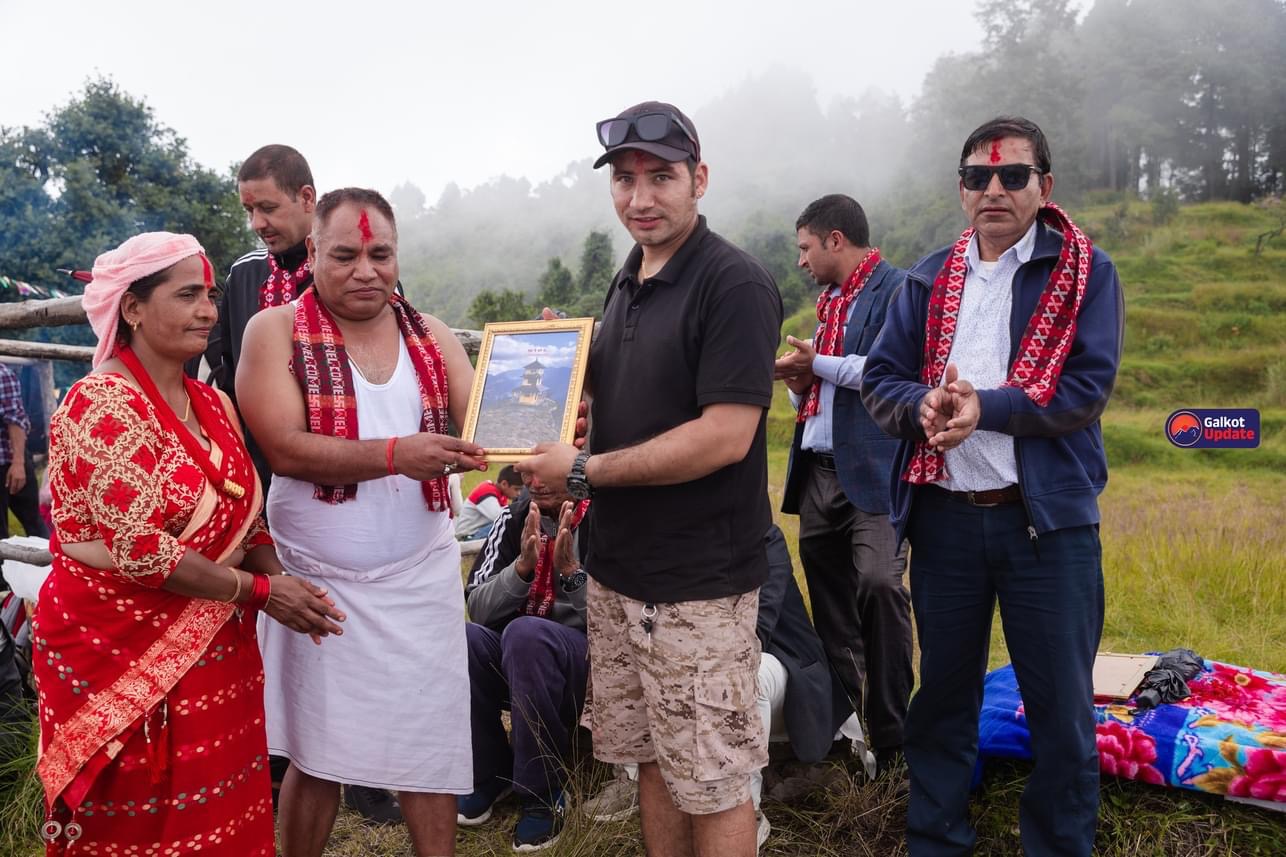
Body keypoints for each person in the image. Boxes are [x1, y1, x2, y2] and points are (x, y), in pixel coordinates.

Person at [519, 101, 783, 857]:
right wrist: (559, 374)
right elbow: (620, 390)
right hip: (618, 572)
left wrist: (581, 470)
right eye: (626, 179)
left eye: (660, 177)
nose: (640, 197)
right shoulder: (628, 277)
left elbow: (723, 436)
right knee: (652, 761)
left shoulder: (733, 283)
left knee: (716, 775)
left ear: (699, 179)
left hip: (697, 584)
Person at [861, 116, 1125, 856]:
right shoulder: (926, 279)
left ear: (1046, 185)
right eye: (978, 176)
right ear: (961, 190)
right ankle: (936, 839)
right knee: (943, 697)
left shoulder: (1083, 273)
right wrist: (925, 407)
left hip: (1047, 527)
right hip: (946, 522)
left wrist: (987, 408)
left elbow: (1086, 386)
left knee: (1061, 708)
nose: (995, 189)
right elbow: (881, 380)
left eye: (1013, 175)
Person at [32, 232, 342, 856]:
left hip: (217, 648)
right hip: (117, 649)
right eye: (188, 295)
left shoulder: (215, 403)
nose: (207, 310)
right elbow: (142, 552)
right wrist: (260, 592)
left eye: (210, 295)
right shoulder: (98, 405)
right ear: (133, 308)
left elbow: (246, 522)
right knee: (136, 819)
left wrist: (286, 586)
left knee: (220, 801)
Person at [236, 188, 487, 857]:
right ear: (313, 251)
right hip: (320, 583)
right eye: (346, 254)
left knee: (431, 744)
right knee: (317, 751)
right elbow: (284, 445)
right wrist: (394, 455)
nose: (366, 269)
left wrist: (537, 432)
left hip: (421, 573)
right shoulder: (276, 330)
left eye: (381, 253)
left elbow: (485, 423)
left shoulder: (431, 336)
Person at [585, 525, 869, 854]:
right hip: (696, 674)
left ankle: (749, 806)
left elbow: (756, 630)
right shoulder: (665, 546)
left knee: (742, 673)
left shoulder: (763, 539)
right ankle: (638, 782)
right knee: (644, 669)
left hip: (784, 670)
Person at [775, 194, 913, 775]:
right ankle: (857, 733)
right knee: (831, 610)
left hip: (875, 475)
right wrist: (799, 382)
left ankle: (896, 735)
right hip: (818, 474)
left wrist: (819, 364)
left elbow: (887, 372)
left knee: (881, 587)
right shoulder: (829, 303)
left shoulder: (897, 291)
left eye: (806, 247)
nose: (802, 261)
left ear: (835, 239)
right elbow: (820, 392)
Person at [457, 468, 591, 851]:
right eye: (529, 471)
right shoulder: (512, 516)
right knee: (465, 639)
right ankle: (491, 773)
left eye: (548, 468)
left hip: (585, 666)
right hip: (520, 656)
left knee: (526, 633)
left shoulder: (605, 516)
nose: (536, 480)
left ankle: (542, 792)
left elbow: (617, 618)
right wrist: (520, 570)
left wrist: (571, 573)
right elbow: (478, 609)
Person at [204, 144, 317, 490]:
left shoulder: (354, 277)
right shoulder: (243, 275)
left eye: (268, 208)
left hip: (339, 472)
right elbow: (222, 370)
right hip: (257, 475)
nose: (257, 223)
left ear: (307, 198)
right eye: (249, 210)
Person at [454, 465, 522, 540]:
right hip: (467, 536)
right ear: (504, 484)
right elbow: (499, 517)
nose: (519, 493)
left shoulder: (500, 494)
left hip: (477, 532)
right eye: (516, 489)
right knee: (505, 526)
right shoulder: (486, 492)